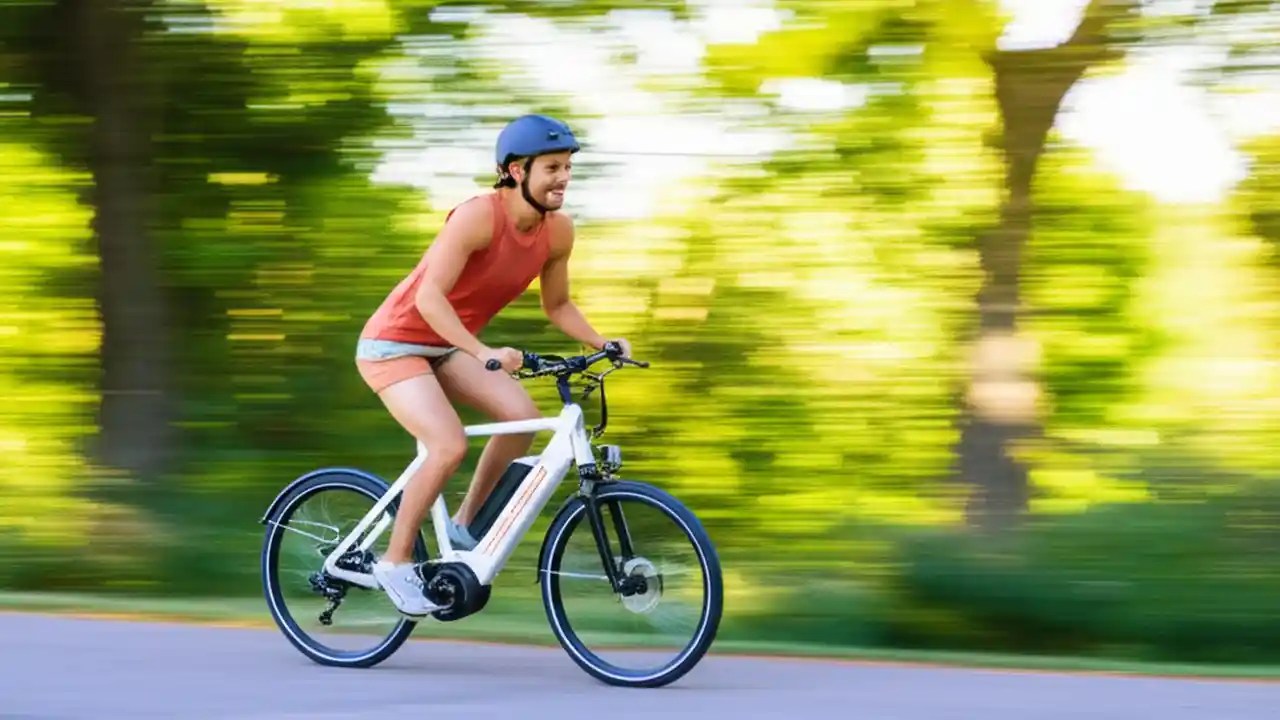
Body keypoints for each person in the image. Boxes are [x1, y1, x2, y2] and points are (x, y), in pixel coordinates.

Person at [353, 114, 632, 617]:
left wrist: (602, 341)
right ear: (515, 171)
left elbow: (558, 305)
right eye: (552, 167)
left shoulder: (558, 233)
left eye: (568, 167)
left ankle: (463, 526)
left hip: (445, 345)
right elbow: (431, 299)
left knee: (519, 419)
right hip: (394, 343)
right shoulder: (478, 217)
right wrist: (482, 353)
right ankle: (394, 562)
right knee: (448, 444)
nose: (564, 178)